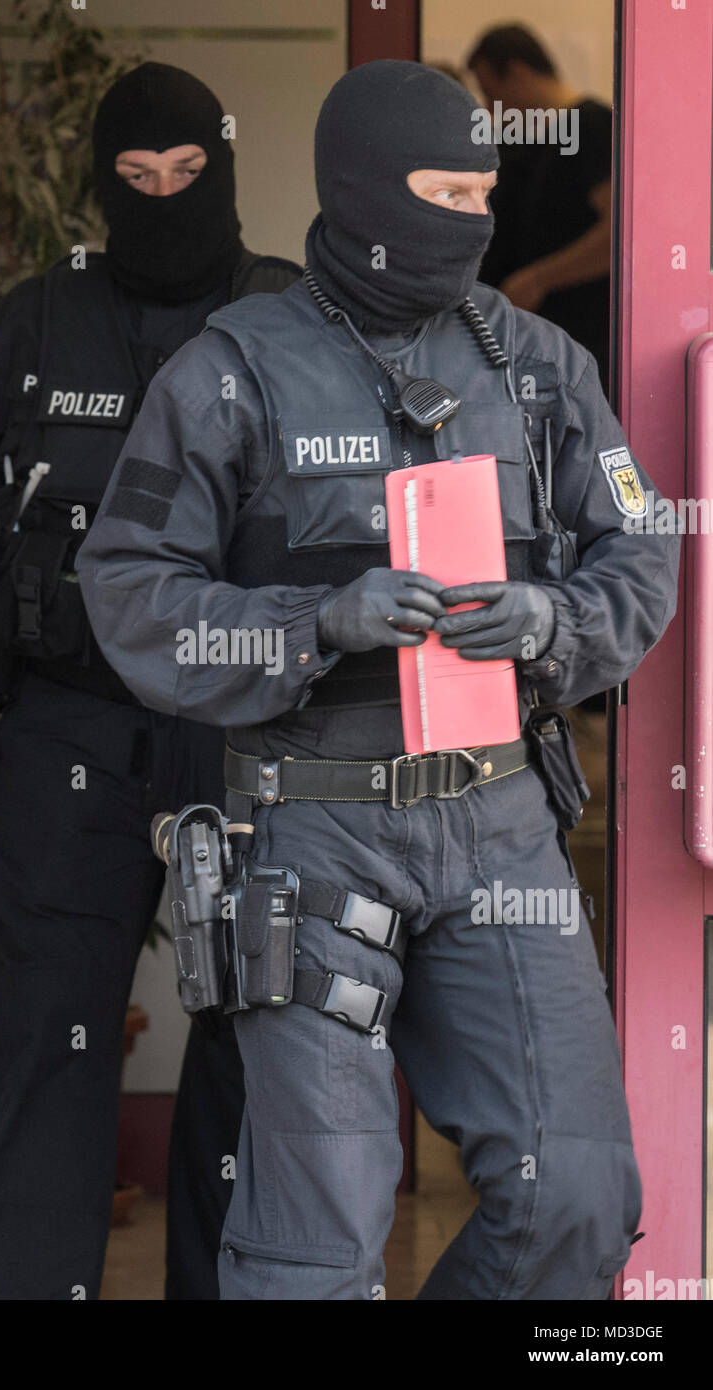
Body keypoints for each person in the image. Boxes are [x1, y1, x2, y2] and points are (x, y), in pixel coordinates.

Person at [76, 60, 679, 1300]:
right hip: (308, 833)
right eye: (439, 188)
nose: (471, 217)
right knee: (317, 1243)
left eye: (481, 189)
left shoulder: (536, 365)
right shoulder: (230, 367)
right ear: (359, 192)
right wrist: (314, 621)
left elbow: (642, 549)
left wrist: (550, 618)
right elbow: (128, 589)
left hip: (504, 823)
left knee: (574, 1196)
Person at [0, 61, 298, 1301]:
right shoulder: (34, 323)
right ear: (99, 184)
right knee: (48, 1042)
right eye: (135, 179)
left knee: (254, 1044)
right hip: (70, 732)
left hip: (245, 735)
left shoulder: (289, 319)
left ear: (221, 170)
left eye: (186, 176)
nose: (164, 199)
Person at [467, 24, 613, 388]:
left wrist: (537, 279)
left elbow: (619, 234)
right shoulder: (543, 139)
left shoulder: (592, 126)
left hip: (584, 344)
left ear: (517, 71)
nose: (489, 107)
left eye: (490, 92)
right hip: (544, 341)